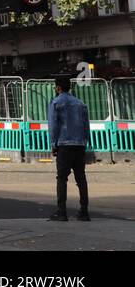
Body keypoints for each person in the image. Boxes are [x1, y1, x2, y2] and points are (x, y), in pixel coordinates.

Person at [49, 75, 91, 222]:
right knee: (81, 179)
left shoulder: (56, 102)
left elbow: (54, 126)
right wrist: (86, 142)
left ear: (58, 88)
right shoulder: (80, 103)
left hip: (64, 145)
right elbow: (86, 125)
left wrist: (54, 144)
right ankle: (84, 211)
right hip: (79, 145)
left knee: (62, 178)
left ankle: (62, 212)